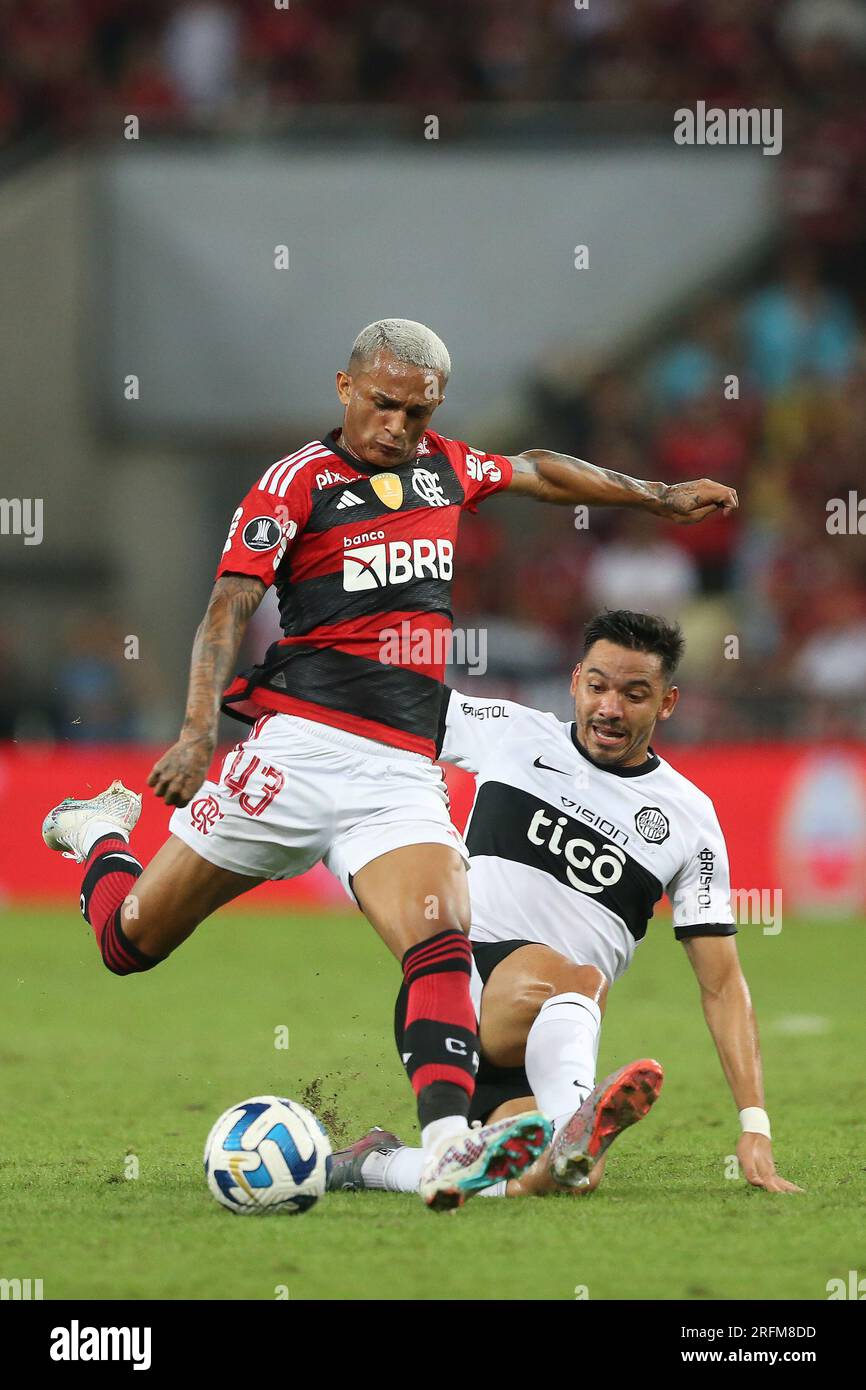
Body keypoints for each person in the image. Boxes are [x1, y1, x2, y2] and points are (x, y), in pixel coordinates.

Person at [41, 320, 737, 1211]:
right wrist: (194, 730)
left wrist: (654, 495)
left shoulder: (444, 465)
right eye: (383, 405)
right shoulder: (296, 483)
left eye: (417, 411)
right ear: (345, 388)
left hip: (400, 769)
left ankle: (449, 1143)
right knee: (128, 942)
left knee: (442, 938)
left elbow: (539, 470)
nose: (399, 427)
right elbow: (227, 606)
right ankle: (99, 835)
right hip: (294, 752)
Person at [328, 610, 802, 1199]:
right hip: (461, 987)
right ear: (576, 681)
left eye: (635, 694)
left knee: (552, 1177)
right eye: (598, 686)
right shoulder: (514, 731)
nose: (610, 708)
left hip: (545, 1048)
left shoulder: (690, 818)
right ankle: (578, 1117)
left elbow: (723, 985)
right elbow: (398, 702)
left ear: (667, 702)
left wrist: (754, 1124)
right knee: (577, 976)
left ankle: (376, 1163)